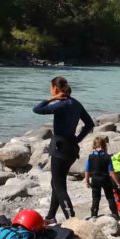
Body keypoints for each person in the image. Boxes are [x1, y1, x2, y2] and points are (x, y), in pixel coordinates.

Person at [34, 76, 95, 223]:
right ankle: (50, 216)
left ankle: (71, 217)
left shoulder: (61, 104)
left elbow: (37, 109)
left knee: (58, 184)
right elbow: (89, 124)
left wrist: (51, 98)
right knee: (57, 181)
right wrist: (78, 139)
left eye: (51, 88)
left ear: (55, 88)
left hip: (60, 148)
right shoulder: (76, 104)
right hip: (72, 148)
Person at [84, 135, 120, 220]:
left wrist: (87, 181)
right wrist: (117, 183)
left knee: (95, 198)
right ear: (104, 145)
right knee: (110, 197)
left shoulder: (90, 157)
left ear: (94, 146)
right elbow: (111, 171)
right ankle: (115, 214)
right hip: (105, 179)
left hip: (95, 180)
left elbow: (87, 171)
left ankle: (94, 215)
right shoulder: (107, 157)